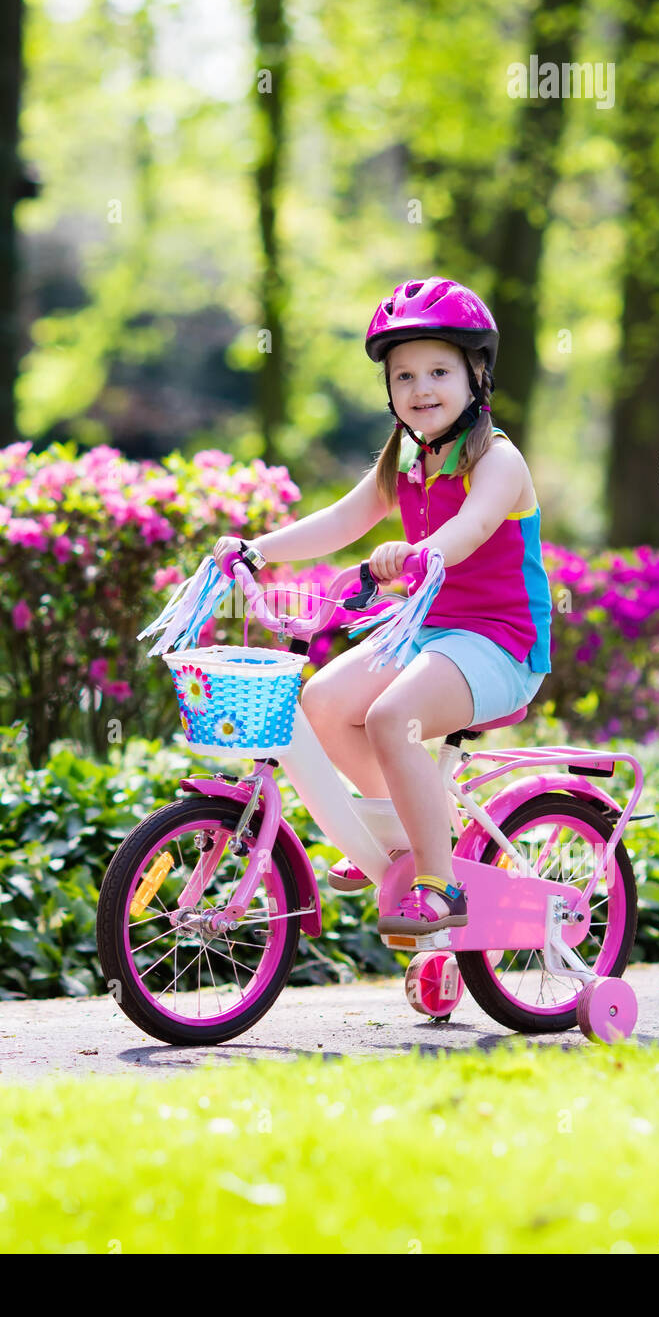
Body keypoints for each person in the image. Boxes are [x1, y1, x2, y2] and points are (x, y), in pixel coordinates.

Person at [212, 277, 552, 935]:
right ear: (389, 390)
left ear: (476, 374)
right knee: (322, 705)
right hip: (427, 630)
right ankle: (398, 832)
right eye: (404, 376)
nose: (421, 388)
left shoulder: (498, 458)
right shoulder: (406, 455)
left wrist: (424, 552)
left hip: (500, 642)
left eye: (439, 371)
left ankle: (440, 882)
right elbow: (344, 518)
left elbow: (476, 525)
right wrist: (256, 548)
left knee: (391, 715)